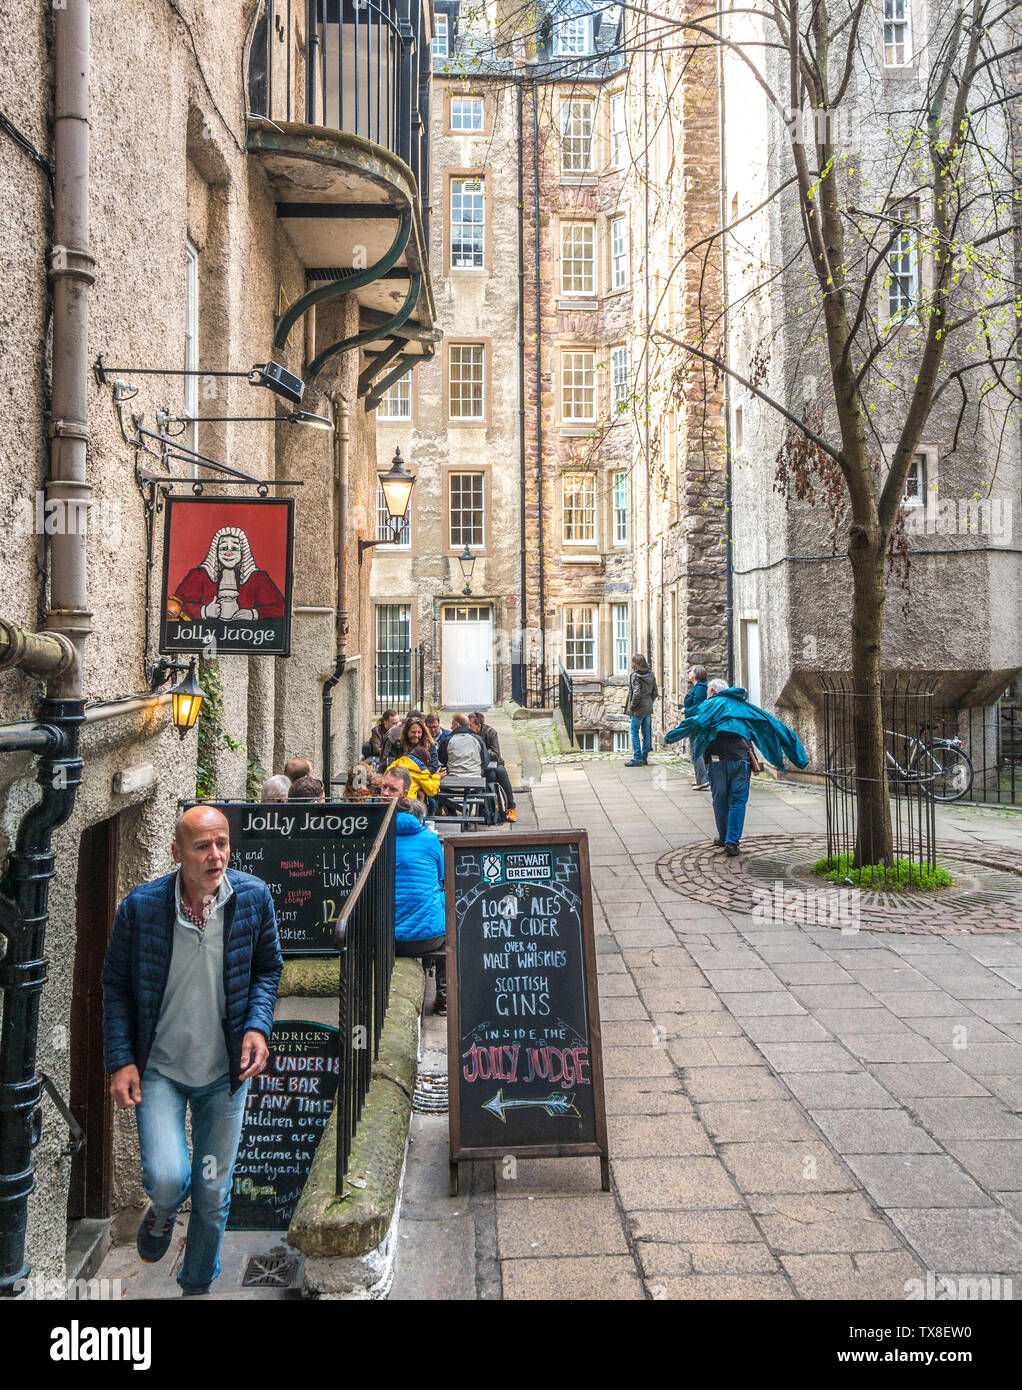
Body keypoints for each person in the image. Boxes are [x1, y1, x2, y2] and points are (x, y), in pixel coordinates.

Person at [101, 805, 282, 1296]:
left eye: (222, 843)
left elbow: (267, 968)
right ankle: (161, 1211)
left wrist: (257, 1027)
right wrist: (121, 1059)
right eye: (202, 846)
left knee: (211, 1192)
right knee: (167, 1178)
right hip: (159, 1070)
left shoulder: (252, 898)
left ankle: (197, 1284)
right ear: (177, 852)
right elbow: (115, 986)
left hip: (224, 1074)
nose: (215, 855)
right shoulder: (141, 908)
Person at [665, 678, 809, 856]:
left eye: (709, 691)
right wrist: (798, 756)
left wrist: (671, 736)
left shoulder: (711, 704)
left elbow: (694, 722)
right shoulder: (742, 706)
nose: (707, 694)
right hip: (740, 758)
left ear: (713, 691)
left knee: (720, 798)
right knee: (738, 800)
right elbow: (772, 723)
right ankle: (732, 842)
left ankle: (724, 837)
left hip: (717, 757)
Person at [392, 794, 448, 1015]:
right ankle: (443, 998)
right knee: (449, 921)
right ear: (421, 819)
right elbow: (441, 879)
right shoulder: (431, 840)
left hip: (387, 938)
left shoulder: (381, 839)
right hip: (428, 939)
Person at [170, 527, 285, 622]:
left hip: (246, 637)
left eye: (234, 548)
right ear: (215, 551)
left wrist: (253, 614)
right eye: (224, 548)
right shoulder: (199, 576)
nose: (228, 553)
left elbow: (282, 608)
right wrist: (204, 611)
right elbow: (174, 607)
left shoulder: (258, 579)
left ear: (242, 552)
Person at [468, 712, 517, 822]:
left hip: (494, 763)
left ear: (479, 726)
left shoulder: (491, 732)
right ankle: (490, 810)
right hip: (478, 766)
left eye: (471, 725)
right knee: (491, 775)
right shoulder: (469, 735)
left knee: (501, 772)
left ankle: (511, 807)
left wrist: (483, 751)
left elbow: (496, 754)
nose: (469, 728)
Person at [385, 714, 444, 802]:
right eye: (413, 732)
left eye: (419, 732)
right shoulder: (398, 745)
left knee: (432, 802)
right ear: (407, 732)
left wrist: (420, 780)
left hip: (424, 783)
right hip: (400, 782)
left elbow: (433, 766)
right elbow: (391, 765)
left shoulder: (429, 745)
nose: (416, 735)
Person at [623, 655, 659, 767]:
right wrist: (649, 702)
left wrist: (632, 706)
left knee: (634, 732)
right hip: (648, 707)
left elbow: (637, 693)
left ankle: (637, 758)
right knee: (646, 732)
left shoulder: (635, 676)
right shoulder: (651, 674)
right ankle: (644, 757)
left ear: (635, 663)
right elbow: (655, 692)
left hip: (638, 709)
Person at [684, 666, 710, 789]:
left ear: (696, 675)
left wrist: (685, 710)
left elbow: (699, 707)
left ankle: (702, 780)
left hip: (696, 723)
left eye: (691, 671)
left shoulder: (699, 688)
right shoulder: (699, 687)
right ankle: (704, 778)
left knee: (696, 751)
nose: (689, 673)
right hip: (698, 723)